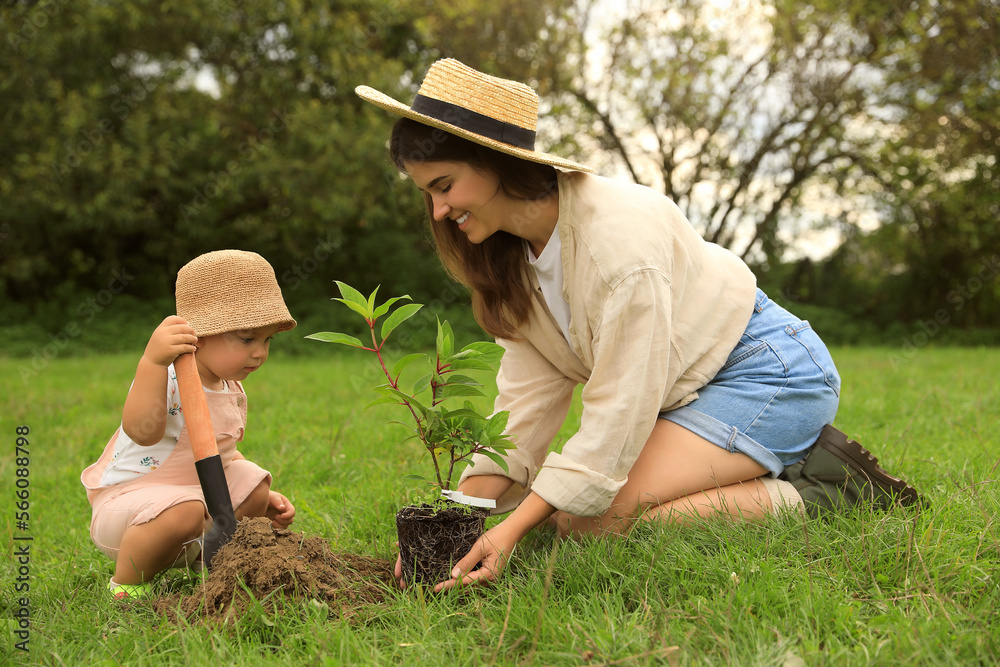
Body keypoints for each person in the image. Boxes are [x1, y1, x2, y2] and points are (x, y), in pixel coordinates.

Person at [355, 59, 922, 592]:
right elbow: (524, 404)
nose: (437, 212)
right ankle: (753, 462)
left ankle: (828, 489)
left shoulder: (618, 248)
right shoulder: (515, 255)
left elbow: (619, 410)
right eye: (426, 192)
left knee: (586, 524)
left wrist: (512, 530)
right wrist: (462, 520)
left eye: (444, 186)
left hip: (768, 374)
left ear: (495, 161)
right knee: (571, 513)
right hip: (687, 389)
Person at [81, 249, 298, 600]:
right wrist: (151, 361)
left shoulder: (231, 387)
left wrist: (260, 496)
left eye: (267, 339)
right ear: (201, 333)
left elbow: (223, 454)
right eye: (247, 339)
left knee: (255, 482)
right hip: (131, 513)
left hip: (197, 507)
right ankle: (126, 585)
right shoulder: (165, 378)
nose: (259, 352)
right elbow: (141, 431)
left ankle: (222, 563)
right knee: (185, 509)